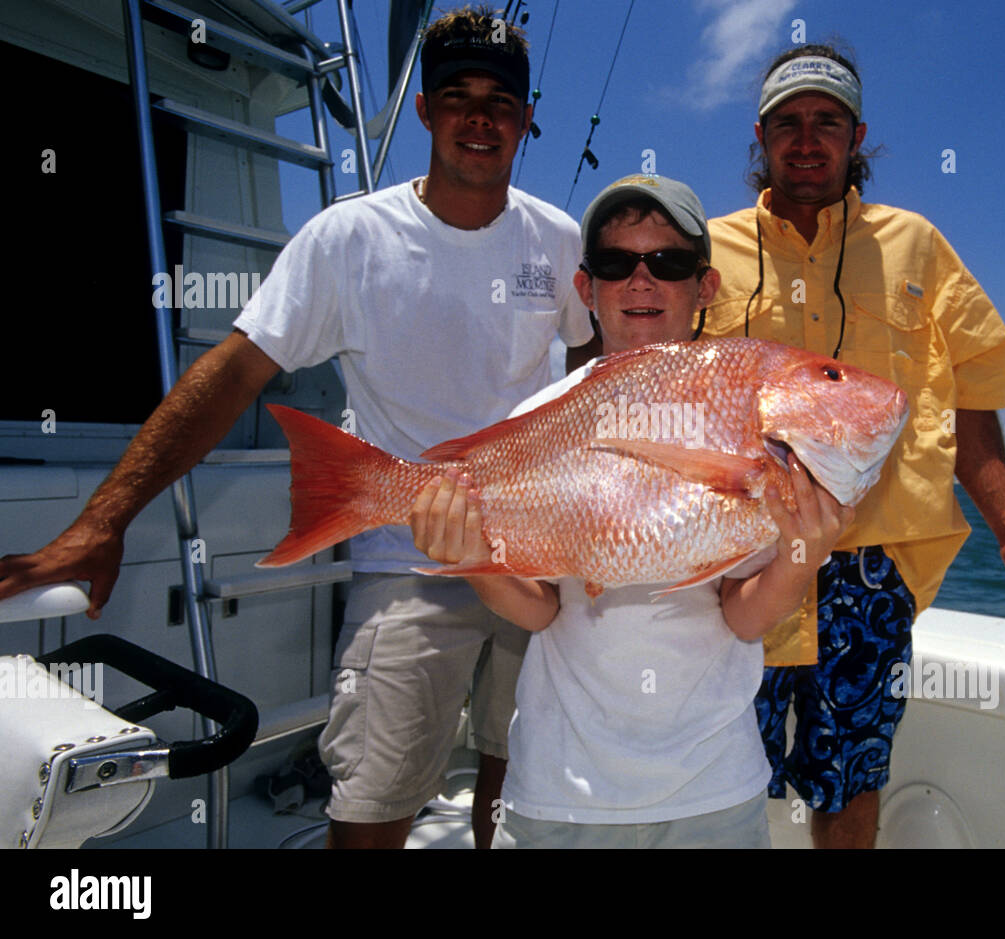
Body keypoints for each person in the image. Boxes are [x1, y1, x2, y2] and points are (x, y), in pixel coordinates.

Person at [0, 6, 595, 849]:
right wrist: (103, 521)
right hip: (405, 561)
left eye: (500, 101)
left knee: (522, 778)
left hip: (536, 567)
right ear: (423, 111)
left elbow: (599, 370)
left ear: (527, 119)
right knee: (371, 804)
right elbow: (232, 373)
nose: (479, 117)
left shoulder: (559, 236)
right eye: (456, 95)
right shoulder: (348, 237)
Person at [703, 43, 1005, 849]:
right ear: (761, 137)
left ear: (857, 135)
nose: (807, 141)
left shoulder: (917, 244)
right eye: (789, 124)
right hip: (741, 560)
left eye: (827, 123)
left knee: (853, 779)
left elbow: (971, 398)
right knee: (716, 770)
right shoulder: (706, 250)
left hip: (872, 563)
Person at [410, 174, 855, 847]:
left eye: (668, 264)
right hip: (563, 789)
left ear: (704, 287)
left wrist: (804, 553)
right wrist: (471, 557)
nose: (641, 283)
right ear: (586, 290)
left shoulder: (741, 418)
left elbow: (742, 613)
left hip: (714, 785)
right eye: (616, 264)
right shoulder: (540, 417)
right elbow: (541, 608)